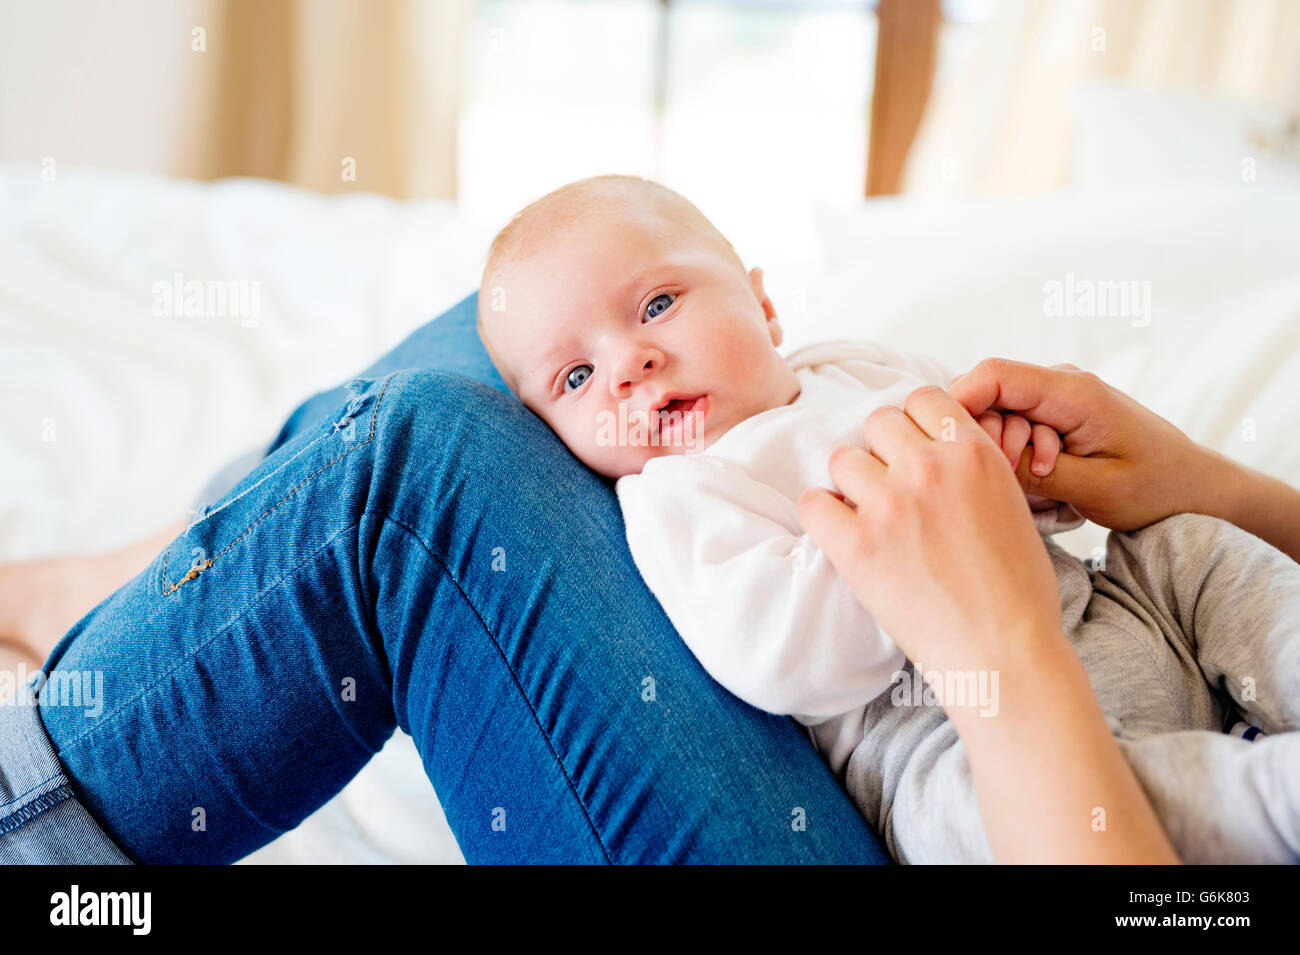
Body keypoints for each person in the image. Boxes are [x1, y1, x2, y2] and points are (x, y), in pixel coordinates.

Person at [476, 175, 1299, 863]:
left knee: (1183, 542)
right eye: (577, 375)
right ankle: (1268, 794)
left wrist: (1026, 465)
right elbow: (775, 654)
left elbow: (992, 480)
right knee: (967, 818)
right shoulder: (676, 497)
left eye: (657, 303)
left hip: (1110, 613)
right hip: (938, 735)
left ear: (762, 306)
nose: (629, 365)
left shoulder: (855, 364)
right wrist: (906, 547)